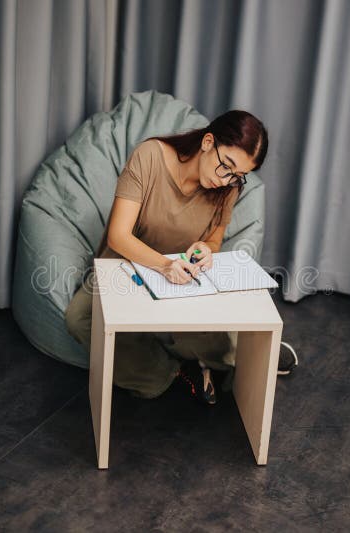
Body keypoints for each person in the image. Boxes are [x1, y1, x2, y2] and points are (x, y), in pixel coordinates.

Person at [65, 109, 275, 404]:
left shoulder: (228, 187)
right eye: (226, 167)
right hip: (126, 265)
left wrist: (206, 249)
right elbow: (118, 236)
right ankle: (171, 373)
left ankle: (241, 357)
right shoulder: (150, 156)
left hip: (180, 275)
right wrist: (165, 265)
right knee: (79, 318)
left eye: (238, 176)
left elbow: (214, 239)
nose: (226, 180)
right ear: (208, 142)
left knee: (215, 331)